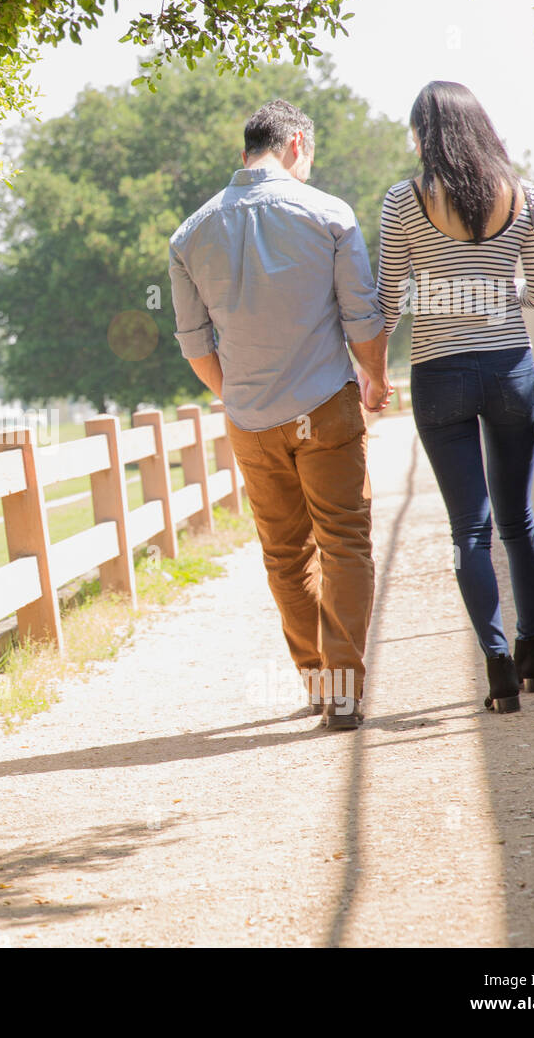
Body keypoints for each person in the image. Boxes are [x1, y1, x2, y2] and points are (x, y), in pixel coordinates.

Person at [169, 99, 392, 731]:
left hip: (251, 420)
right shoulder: (328, 214)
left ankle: (319, 683)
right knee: (344, 542)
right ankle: (344, 691)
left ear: (247, 154)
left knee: (285, 555)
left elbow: (195, 346)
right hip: (324, 407)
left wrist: (237, 396)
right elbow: (361, 318)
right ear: (296, 144)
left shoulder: (189, 235)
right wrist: (375, 376)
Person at [377, 80, 534, 715]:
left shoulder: (404, 200)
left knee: (469, 530)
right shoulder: (522, 195)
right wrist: (493, 294)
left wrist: (374, 370)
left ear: (424, 134)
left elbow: (385, 301)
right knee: (518, 520)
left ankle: (499, 666)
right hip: (511, 370)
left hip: (440, 374)